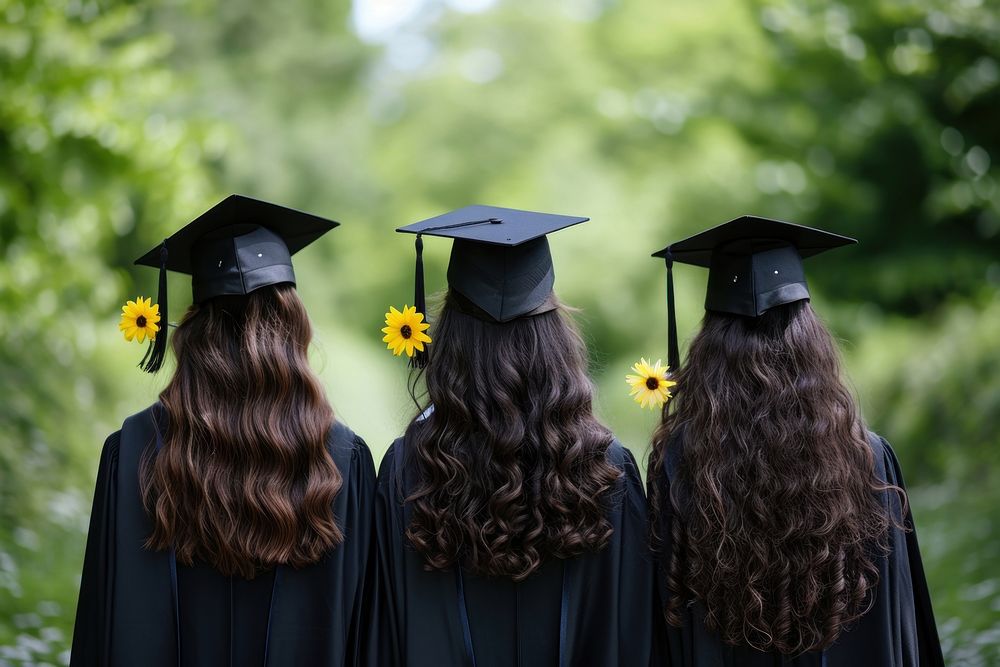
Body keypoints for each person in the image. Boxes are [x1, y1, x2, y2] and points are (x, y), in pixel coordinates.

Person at [70, 195, 376, 667]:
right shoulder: (340, 458)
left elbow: (98, 627)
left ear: (193, 328)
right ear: (294, 326)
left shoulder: (131, 451)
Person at [646, 215, 944, 666]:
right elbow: (898, 621)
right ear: (811, 339)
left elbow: (662, 618)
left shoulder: (680, 462)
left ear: (709, 345)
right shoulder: (867, 458)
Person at [369, 205, 656, 666]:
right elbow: (634, 629)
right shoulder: (606, 467)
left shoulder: (409, 468)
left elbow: (382, 634)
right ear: (555, 338)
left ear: (449, 337)